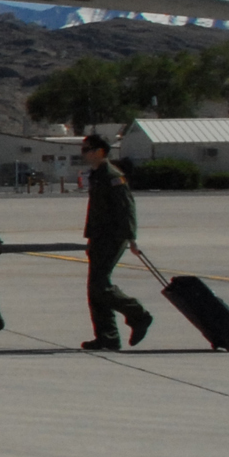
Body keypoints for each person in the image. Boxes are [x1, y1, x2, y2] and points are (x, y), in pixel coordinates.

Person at [79, 133, 154, 351]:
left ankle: (138, 314)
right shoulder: (96, 175)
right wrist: (90, 238)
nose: (83, 154)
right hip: (99, 237)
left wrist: (131, 238)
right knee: (95, 289)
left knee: (100, 286)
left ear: (100, 151)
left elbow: (126, 207)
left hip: (113, 237)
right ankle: (107, 336)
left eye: (87, 149)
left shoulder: (112, 175)